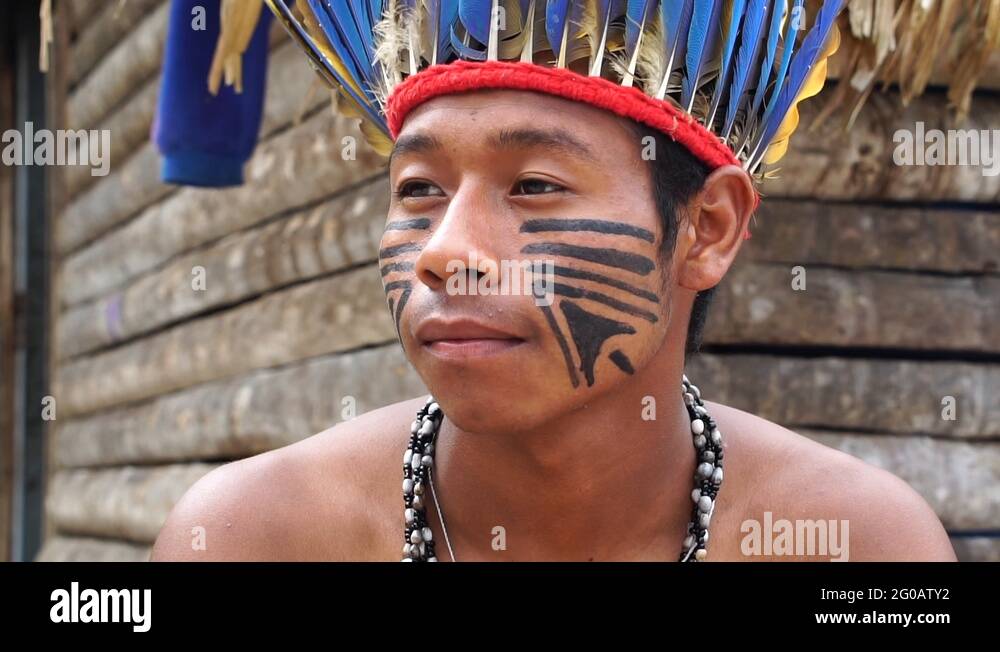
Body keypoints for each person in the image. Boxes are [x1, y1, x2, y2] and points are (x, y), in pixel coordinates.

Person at [152, 0, 956, 561]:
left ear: (706, 229)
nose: (445, 249)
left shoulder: (863, 548)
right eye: (419, 189)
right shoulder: (246, 541)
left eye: (535, 185)